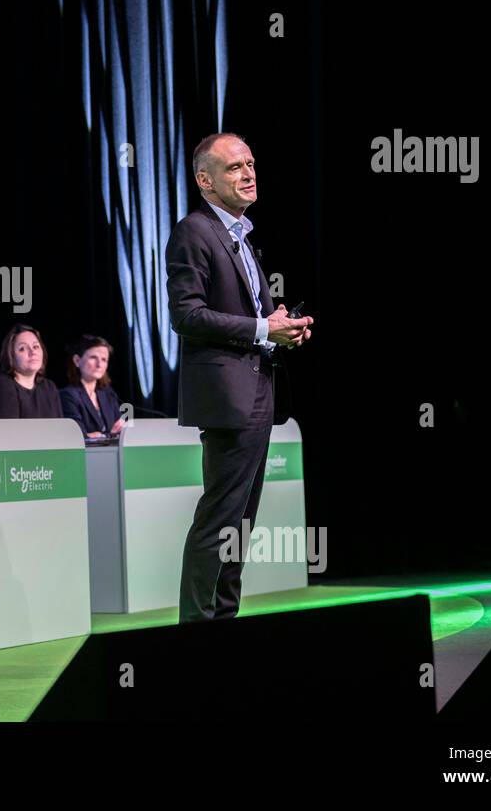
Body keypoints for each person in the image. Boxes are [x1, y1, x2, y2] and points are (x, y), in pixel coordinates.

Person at [165, 132, 313, 622]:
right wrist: (261, 328)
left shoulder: (243, 236)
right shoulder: (195, 231)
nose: (249, 173)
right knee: (219, 519)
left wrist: (281, 331)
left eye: (251, 163)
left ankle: (223, 623)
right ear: (205, 181)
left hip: (259, 390)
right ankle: (195, 629)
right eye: (234, 167)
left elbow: (253, 317)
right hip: (228, 396)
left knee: (240, 524)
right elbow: (186, 316)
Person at [0, 324, 63, 419]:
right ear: (11, 356)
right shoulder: (1, 386)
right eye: (22, 349)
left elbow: (58, 429)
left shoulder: (49, 388)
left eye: (35, 346)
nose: (32, 352)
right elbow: (6, 432)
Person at [59, 335, 124, 438]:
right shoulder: (68, 395)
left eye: (104, 360)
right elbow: (78, 436)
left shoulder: (108, 394)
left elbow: (120, 429)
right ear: (77, 360)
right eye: (93, 358)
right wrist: (110, 435)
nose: (99, 364)